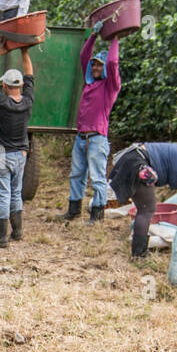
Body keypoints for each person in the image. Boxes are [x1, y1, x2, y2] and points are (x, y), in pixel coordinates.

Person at [64, 19, 122, 223]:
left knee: (97, 178)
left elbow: (113, 63)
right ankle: (73, 210)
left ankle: (97, 215)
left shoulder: (110, 88)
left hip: (97, 139)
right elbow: (83, 56)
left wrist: (115, 37)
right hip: (81, 137)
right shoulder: (89, 83)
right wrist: (93, 35)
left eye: (99, 65)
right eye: (94, 64)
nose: (96, 67)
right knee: (76, 175)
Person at [0, 40, 37, 247]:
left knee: (2, 193)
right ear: (21, 85)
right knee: (16, 191)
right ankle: (18, 232)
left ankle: (1, 237)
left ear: (4, 86)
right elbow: (30, 74)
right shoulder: (28, 101)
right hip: (20, 154)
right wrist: (24, 52)